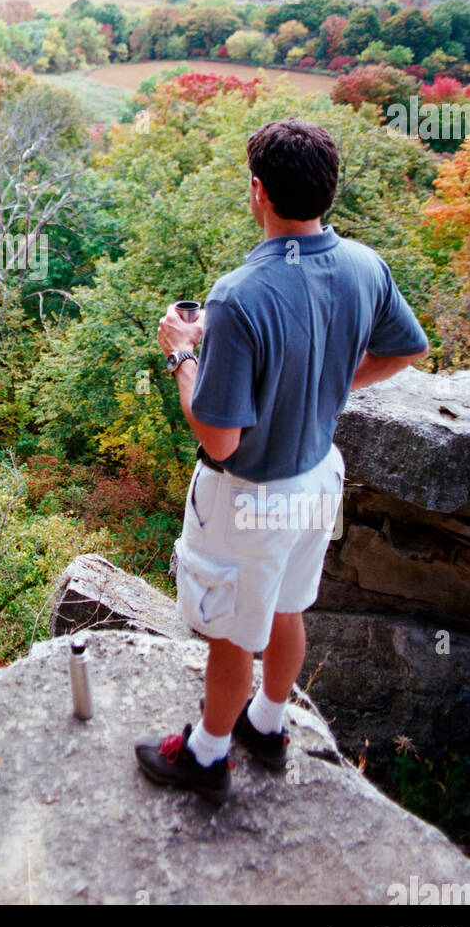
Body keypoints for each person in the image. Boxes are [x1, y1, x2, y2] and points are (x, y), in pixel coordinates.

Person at [134, 117, 430, 804]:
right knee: (288, 607)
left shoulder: (238, 295)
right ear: (329, 190)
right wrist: (328, 386)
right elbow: (405, 347)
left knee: (233, 635)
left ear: (257, 191)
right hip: (315, 477)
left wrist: (183, 352)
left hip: (248, 497)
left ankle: (206, 757)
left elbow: (218, 438)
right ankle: (267, 724)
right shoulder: (362, 265)